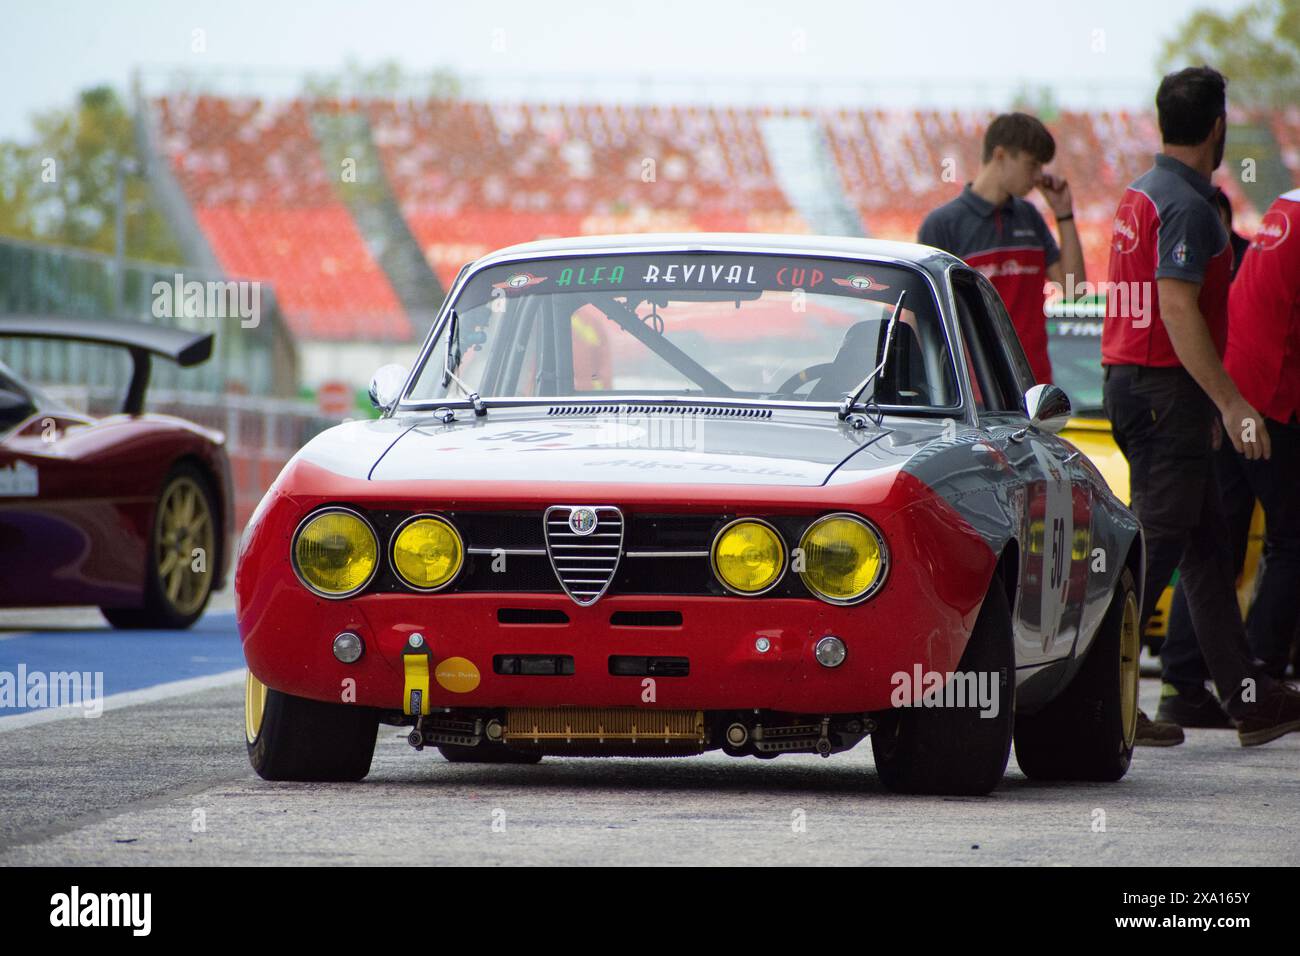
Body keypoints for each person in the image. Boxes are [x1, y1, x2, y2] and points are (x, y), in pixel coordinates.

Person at [1101, 65, 1300, 748]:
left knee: (1208, 550)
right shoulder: (1186, 204)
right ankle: (1093, 694)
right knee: (1153, 547)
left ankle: (1250, 699)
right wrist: (1232, 402)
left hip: (1137, 384)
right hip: (1166, 394)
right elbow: (1177, 307)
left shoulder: (1142, 192)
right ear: (1217, 126)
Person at [1157, 186, 1300, 727]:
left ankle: (1184, 683)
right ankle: (1257, 677)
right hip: (1269, 401)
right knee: (1291, 538)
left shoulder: (1284, 209)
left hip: (1232, 393)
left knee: (1218, 542)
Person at [918, 112, 1085, 384]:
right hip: (975, 396)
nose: (1039, 176)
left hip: (1035, 389)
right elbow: (922, 316)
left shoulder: (1030, 217)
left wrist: (1064, 213)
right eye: (1032, 165)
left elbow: (1075, 291)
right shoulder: (943, 224)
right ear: (1000, 155)